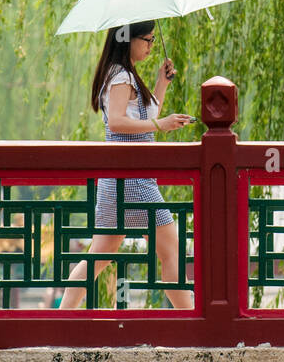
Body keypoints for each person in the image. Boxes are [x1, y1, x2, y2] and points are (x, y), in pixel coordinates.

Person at [59, 21, 196, 309]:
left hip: (118, 179)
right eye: (147, 39)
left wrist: (162, 83)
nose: (150, 46)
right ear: (127, 39)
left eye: (153, 40)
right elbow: (119, 122)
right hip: (133, 179)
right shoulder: (121, 76)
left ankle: (61, 317)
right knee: (172, 252)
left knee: (99, 256)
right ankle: (193, 321)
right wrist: (161, 124)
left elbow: (141, 117)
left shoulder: (123, 74)